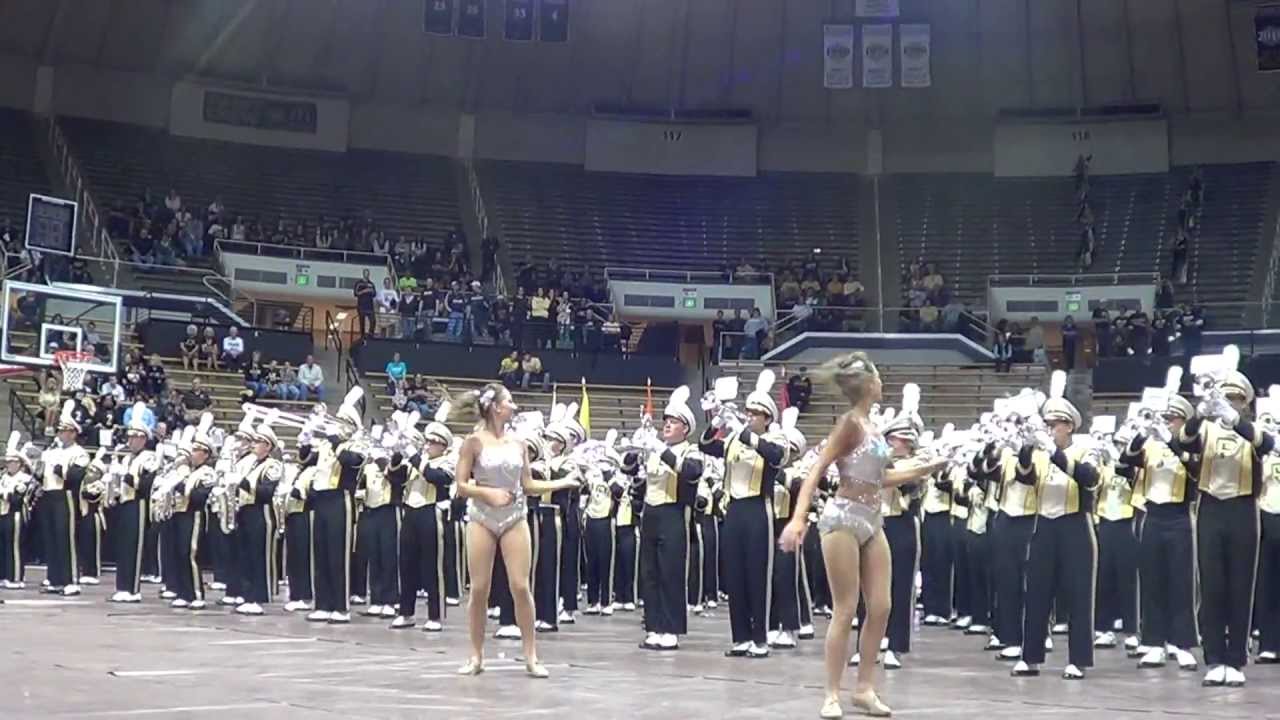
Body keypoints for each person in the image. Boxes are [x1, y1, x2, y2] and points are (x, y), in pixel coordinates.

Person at [778, 352, 945, 719]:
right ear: (869, 385)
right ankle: (831, 693)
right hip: (842, 518)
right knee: (846, 609)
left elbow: (880, 478)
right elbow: (817, 470)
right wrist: (798, 518)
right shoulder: (850, 424)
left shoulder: (871, 427)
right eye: (879, 378)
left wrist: (924, 467)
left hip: (872, 517)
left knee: (882, 605)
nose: (884, 383)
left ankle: (865, 688)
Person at [451, 383, 581, 677]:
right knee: (480, 588)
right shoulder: (473, 442)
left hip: (514, 516)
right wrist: (488, 494)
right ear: (496, 407)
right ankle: (476, 655)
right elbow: (460, 485)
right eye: (509, 401)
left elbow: (528, 484)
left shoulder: (519, 443)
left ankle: (531, 656)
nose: (514, 405)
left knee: (521, 586)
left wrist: (563, 482)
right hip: (482, 516)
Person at [699, 371, 787, 658]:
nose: (749, 416)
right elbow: (706, 445)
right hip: (734, 509)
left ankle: (760, 637)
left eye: (755, 414)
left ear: (767, 418)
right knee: (735, 573)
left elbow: (775, 457)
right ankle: (740, 637)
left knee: (757, 574)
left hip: (757, 509)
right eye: (747, 412)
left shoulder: (776, 439)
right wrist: (715, 422)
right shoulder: (736, 440)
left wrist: (745, 433)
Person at [620, 386, 705, 651]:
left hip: (674, 513)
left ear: (685, 428)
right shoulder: (656, 451)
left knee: (671, 571)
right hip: (651, 513)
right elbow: (639, 483)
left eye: (673, 422)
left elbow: (691, 473)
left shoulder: (690, 451)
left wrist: (661, 450)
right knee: (650, 572)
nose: (667, 425)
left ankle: (671, 628)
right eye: (665, 421)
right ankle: (654, 626)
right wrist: (633, 461)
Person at [389, 413, 455, 631]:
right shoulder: (418, 461)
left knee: (432, 566)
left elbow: (437, 478)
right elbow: (395, 479)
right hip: (411, 512)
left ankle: (435, 615)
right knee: (406, 563)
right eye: (427, 441)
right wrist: (397, 456)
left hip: (432, 513)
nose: (427, 446)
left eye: (433, 442)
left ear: (443, 445)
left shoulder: (448, 461)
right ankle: (405, 611)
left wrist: (416, 458)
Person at [354, 270, 376, 338]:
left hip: (370, 306)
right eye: (365, 273)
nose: (367, 275)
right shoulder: (359, 283)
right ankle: (362, 336)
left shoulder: (371, 284)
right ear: (363, 274)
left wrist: (371, 291)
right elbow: (356, 293)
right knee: (362, 322)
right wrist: (364, 291)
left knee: (373, 320)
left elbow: (374, 294)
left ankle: (370, 334)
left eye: (368, 273)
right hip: (361, 306)